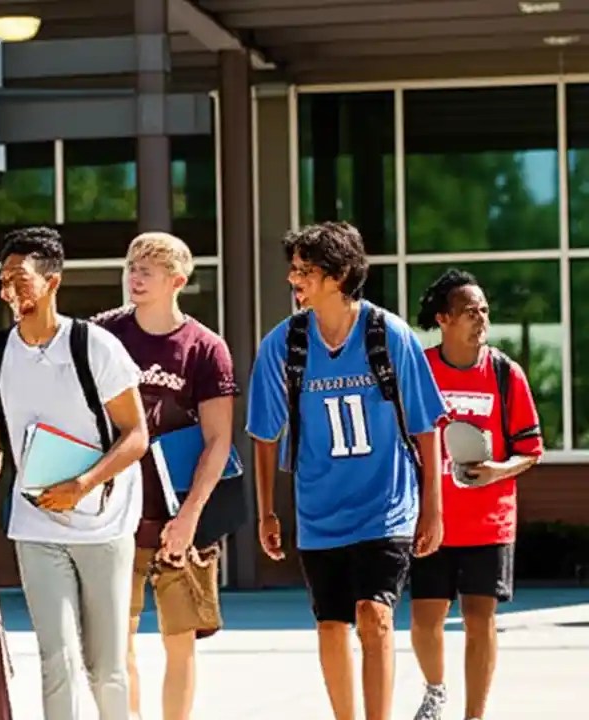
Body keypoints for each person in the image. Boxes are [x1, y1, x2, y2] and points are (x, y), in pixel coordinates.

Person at [246, 221, 446, 720]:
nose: (294, 281)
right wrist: (268, 512)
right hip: (319, 510)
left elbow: (426, 425)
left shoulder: (387, 334)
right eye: (293, 271)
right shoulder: (283, 346)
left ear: (338, 276)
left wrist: (432, 509)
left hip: (387, 505)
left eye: (305, 272)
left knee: (373, 616)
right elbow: (264, 435)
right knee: (331, 624)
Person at [0, 226, 149, 720]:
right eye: (3, 281)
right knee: (56, 657)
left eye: (20, 279)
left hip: (104, 523)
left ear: (52, 281)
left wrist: (82, 485)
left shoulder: (95, 347)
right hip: (34, 526)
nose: (9, 291)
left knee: (106, 665)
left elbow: (136, 435)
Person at [93, 233, 238, 720]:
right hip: (114, 516)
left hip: (180, 516)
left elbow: (218, 440)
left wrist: (192, 516)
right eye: (131, 266)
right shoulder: (103, 334)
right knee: (117, 643)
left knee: (180, 644)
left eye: (147, 270)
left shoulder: (205, 348)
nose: (134, 277)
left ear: (177, 280)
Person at [409, 269, 544, 720]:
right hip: (433, 519)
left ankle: (475, 715)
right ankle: (435, 691)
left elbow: (531, 449)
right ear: (444, 319)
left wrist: (496, 472)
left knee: (479, 620)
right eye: (470, 311)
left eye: (484, 310)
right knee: (425, 621)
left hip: (489, 521)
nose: (480, 318)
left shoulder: (507, 373)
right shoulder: (421, 370)